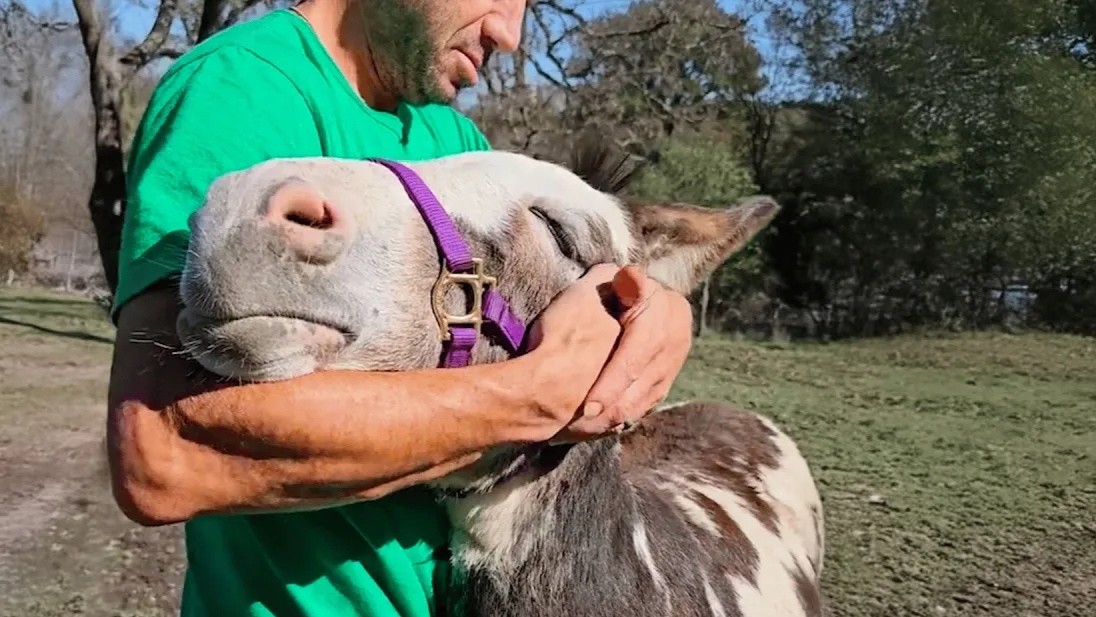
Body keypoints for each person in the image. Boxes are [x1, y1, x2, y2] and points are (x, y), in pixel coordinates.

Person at [106, 0, 694, 615]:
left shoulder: (451, 134)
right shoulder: (242, 85)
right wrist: (533, 397)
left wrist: (658, 304)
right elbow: (161, 455)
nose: (509, 33)